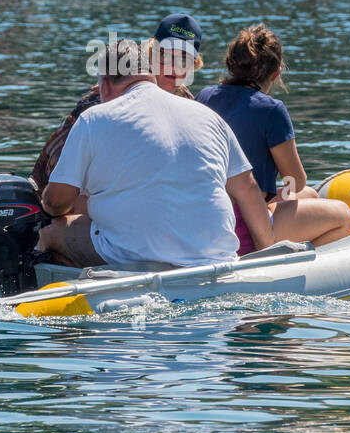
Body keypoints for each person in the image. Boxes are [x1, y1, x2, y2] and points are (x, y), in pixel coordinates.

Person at [38, 38, 273, 269]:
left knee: (51, 233)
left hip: (134, 257)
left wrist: (50, 208)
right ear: (150, 75)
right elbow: (248, 190)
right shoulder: (209, 117)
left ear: (105, 85)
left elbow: (56, 201)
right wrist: (267, 258)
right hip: (216, 257)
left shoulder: (93, 118)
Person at [197, 24, 350, 251]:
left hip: (208, 213)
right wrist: (274, 193)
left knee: (310, 194)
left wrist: (274, 194)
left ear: (231, 65)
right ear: (276, 73)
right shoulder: (272, 110)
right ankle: (293, 268)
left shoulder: (205, 96)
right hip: (248, 222)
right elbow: (294, 180)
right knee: (343, 217)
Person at [29, 12, 205, 193]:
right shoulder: (105, 95)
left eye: (183, 59)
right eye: (164, 55)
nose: (173, 66)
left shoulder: (187, 102)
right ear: (150, 54)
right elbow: (57, 164)